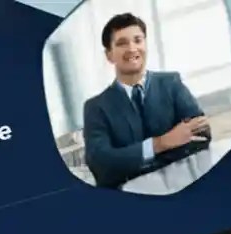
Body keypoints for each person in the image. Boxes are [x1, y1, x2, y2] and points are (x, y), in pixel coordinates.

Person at [82, 13, 212, 190]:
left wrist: (131, 160)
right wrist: (161, 144)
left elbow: (202, 136)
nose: (132, 48)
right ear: (109, 55)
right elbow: (101, 164)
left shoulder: (171, 83)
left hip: (185, 186)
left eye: (138, 40)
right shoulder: (96, 108)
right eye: (122, 43)